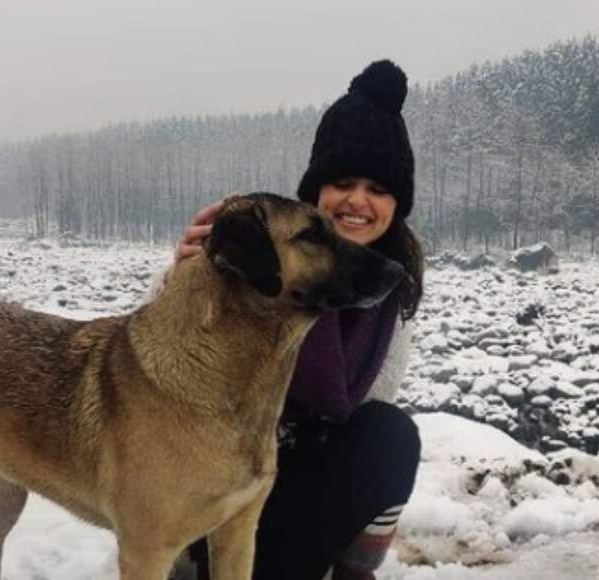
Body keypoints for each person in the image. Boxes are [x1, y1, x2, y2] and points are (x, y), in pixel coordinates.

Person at [167, 60, 425, 580]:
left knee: (390, 435)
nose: (357, 201)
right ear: (316, 192)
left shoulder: (388, 294)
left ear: (396, 204)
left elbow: (360, 422)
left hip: (297, 477)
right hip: (219, 476)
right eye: (343, 182)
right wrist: (182, 280)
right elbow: (163, 378)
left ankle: (345, 572)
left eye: (378, 189)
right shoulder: (255, 258)